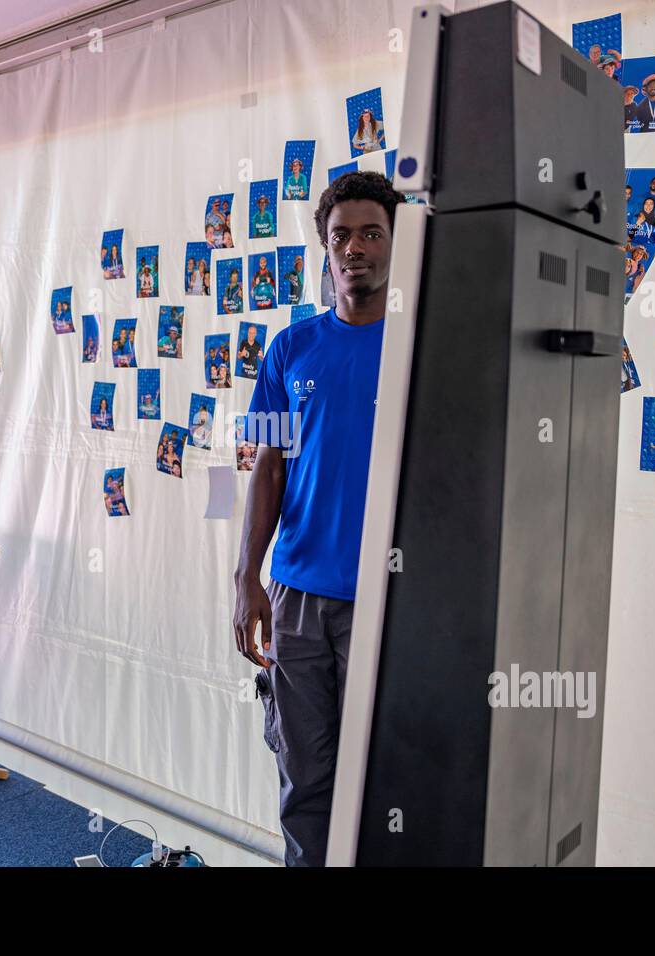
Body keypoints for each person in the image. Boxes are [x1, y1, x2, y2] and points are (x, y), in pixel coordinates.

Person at [234, 170, 402, 867]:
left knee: (391, 784)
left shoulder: (419, 347)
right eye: (341, 236)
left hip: (391, 600)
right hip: (297, 599)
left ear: (396, 243)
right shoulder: (289, 350)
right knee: (306, 781)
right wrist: (247, 578)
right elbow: (268, 466)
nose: (354, 248)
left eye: (370, 233)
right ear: (324, 250)